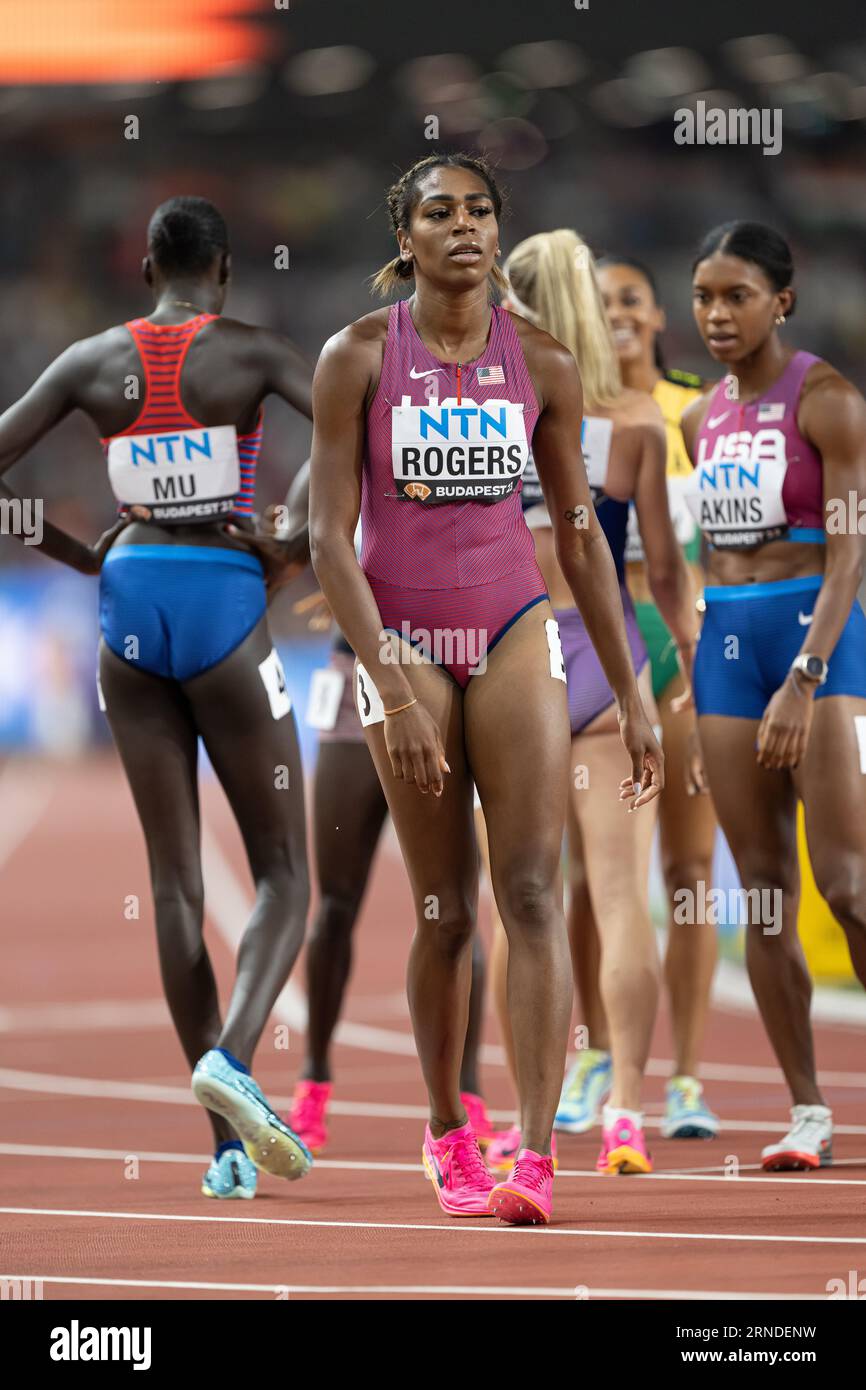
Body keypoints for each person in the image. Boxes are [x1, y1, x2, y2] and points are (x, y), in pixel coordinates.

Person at [309, 153, 663, 1225]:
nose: (462, 227)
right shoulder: (356, 356)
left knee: (531, 892)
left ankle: (539, 1150)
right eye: (437, 213)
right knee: (443, 910)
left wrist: (637, 694)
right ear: (402, 237)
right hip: (401, 637)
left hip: (513, 625)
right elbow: (327, 537)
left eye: (478, 211)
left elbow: (579, 539)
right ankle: (446, 1129)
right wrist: (388, 685)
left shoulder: (543, 362)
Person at [0, 196, 317, 1199]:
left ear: (147, 270)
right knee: (282, 873)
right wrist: (289, 541)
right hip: (223, 599)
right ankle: (232, 1057)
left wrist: (73, 549)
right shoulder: (254, 352)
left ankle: (221, 1150)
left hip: (129, 608)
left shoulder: (89, 361)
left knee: (174, 882)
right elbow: (360, 434)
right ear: (222, 272)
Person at [478, 230, 699, 1176]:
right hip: (608, 659)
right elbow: (661, 573)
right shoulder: (639, 420)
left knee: (514, 904)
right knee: (621, 896)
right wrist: (684, 666)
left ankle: (514, 1108)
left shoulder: (491, 406)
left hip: (512, 651)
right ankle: (627, 1112)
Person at [680, 220, 866, 1170]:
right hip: (727, 646)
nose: (716, 313)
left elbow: (850, 553)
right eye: (705, 296)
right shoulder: (695, 419)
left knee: (848, 884)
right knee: (761, 895)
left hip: (818, 643)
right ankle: (808, 1111)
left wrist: (805, 677)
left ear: (780, 301)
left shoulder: (828, 400)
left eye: (736, 296)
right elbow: (704, 553)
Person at [553, 254, 718, 1140]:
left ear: (657, 316)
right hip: (595, 644)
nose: (615, 314)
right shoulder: (562, 408)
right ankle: (593, 1056)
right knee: (590, 878)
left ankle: (685, 1078)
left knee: (688, 876)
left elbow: (729, 535)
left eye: (629, 300)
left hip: (675, 642)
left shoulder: (689, 414)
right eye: (600, 302)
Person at [286, 579, 496, 1153]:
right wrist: (290, 554)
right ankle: (313, 1079)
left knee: (456, 906)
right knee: (333, 904)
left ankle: (469, 1095)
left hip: (441, 681)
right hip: (356, 690)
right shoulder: (323, 484)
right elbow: (294, 548)